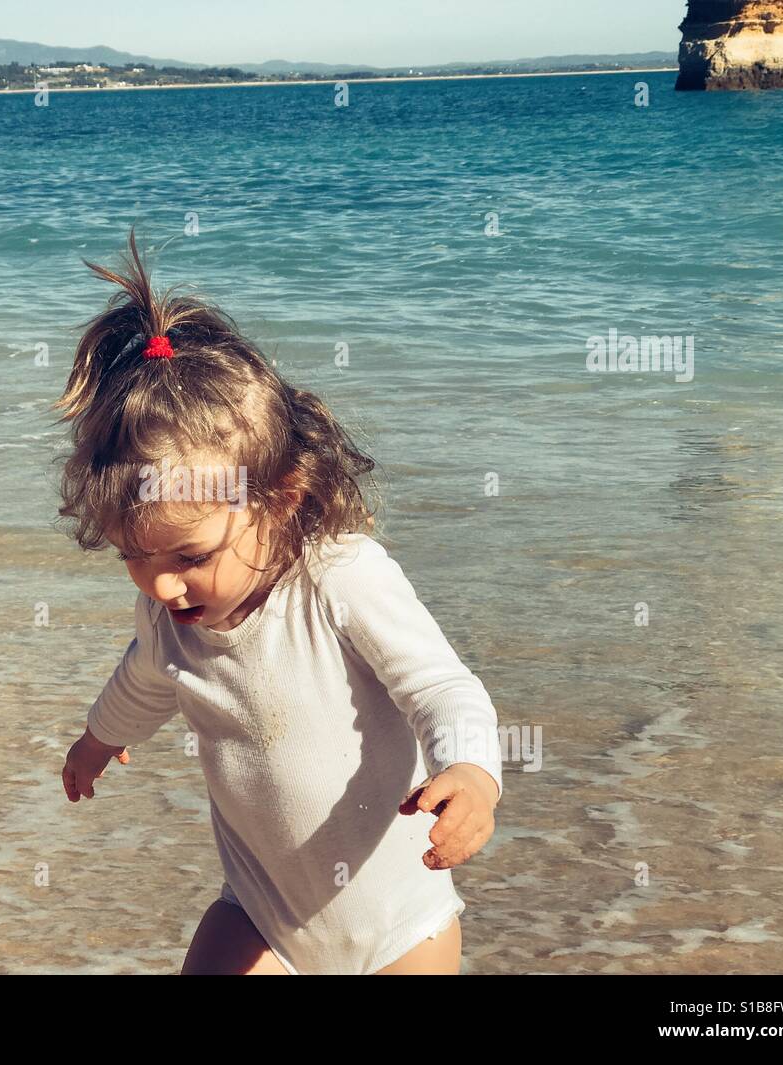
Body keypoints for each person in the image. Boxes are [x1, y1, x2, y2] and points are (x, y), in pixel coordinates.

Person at [55, 228, 503, 975]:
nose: (164, 585)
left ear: (281, 497)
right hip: (262, 911)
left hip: (400, 926)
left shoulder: (339, 579)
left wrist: (474, 774)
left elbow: (439, 685)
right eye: (136, 555)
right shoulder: (171, 617)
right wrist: (98, 740)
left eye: (190, 557)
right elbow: (145, 678)